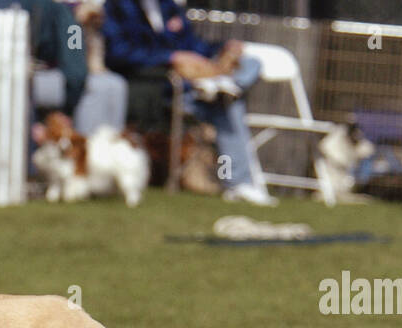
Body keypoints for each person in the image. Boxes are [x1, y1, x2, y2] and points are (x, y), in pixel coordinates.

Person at [102, 0, 275, 204]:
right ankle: (238, 183)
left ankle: (229, 86)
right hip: (161, 87)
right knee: (228, 104)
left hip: (197, 85)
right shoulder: (116, 7)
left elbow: (195, 46)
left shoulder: (169, 7)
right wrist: (170, 56)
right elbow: (118, 53)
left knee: (249, 66)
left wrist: (222, 47)